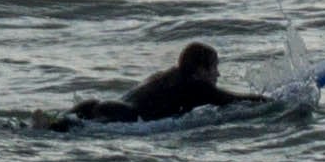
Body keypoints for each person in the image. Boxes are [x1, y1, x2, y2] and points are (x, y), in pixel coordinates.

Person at [72, 41, 233, 126]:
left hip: (98, 106)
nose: (218, 74)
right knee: (82, 129)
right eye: (214, 67)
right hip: (124, 118)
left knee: (66, 124)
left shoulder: (165, 76)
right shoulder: (197, 86)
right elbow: (239, 101)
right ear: (200, 70)